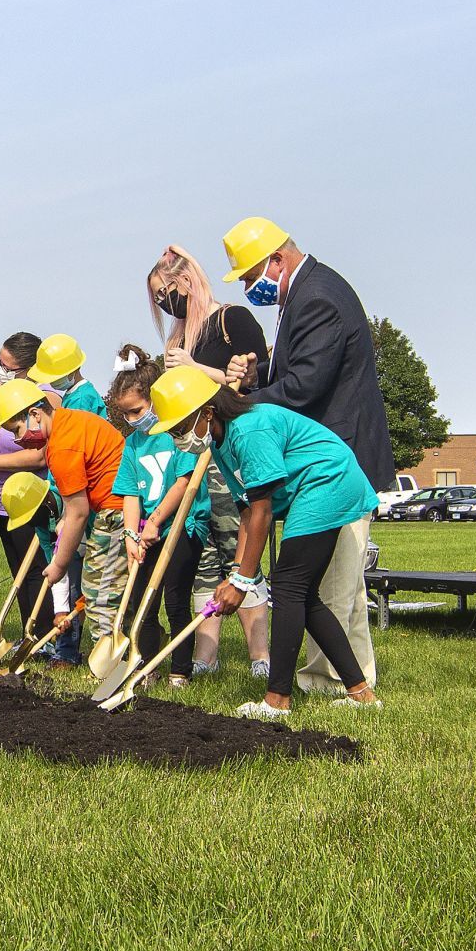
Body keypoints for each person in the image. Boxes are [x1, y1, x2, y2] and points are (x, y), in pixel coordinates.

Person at [152, 365, 381, 719]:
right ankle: (361, 693)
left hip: (327, 481)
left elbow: (262, 510)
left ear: (207, 412)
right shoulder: (221, 441)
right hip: (311, 488)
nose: (177, 439)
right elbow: (246, 511)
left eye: (179, 429)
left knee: (289, 586)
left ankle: (277, 700)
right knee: (303, 593)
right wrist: (236, 573)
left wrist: (244, 581)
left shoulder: (248, 430)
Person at [221, 217, 390, 693]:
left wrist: (238, 403)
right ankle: (336, 680)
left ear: (277, 258)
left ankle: (335, 682)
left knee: (334, 586)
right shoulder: (304, 293)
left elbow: (305, 388)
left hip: (338, 462)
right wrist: (258, 379)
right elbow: (292, 381)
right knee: (323, 585)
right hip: (323, 459)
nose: (253, 288)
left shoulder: (317, 297)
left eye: (252, 277)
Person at [145, 244, 271, 678]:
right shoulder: (179, 335)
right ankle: (206, 654)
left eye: (167, 292)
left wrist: (196, 368)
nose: (165, 302)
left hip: (231, 448)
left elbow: (256, 381)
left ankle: (260, 657)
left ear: (187, 281)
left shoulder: (230, 320)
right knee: (203, 558)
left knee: (239, 552)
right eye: (158, 298)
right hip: (195, 452)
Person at [0, 377, 129, 651]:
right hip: (114, 510)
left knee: (100, 595)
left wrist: (59, 564)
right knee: (108, 591)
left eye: (17, 429)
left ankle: (109, 666)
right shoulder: (69, 422)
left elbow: (76, 512)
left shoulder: (62, 445)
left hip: (115, 513)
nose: (18, 439)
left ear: (35, 414)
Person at [107, 345, 208, 688]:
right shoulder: (133, 443)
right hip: (147, 529)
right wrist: (131, 535)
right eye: (126, 415)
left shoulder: (175, 432)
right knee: (141, 601)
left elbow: (183, 482)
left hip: (183, 524)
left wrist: (156, 522)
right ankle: (146, 666)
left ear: (154, 400)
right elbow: (130, 493)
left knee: (174, 597)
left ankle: (180, 671)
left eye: (137, 411)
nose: (133, 420)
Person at [0, 332, 59, 657]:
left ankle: (45, 636)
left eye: (7, 366)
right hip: (0, 499)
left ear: (28, 367)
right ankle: (28, 633)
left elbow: (40, 455)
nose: (1, 370)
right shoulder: (0, 390)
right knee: (17, 571)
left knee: (35, 569)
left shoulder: (45, 398)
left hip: (31, 496)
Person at [29, 333, 107, 417]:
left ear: (71, 371)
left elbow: (75, 429)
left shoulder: (79, 400)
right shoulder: (77, 392)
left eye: (55, 377)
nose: (51, 382)